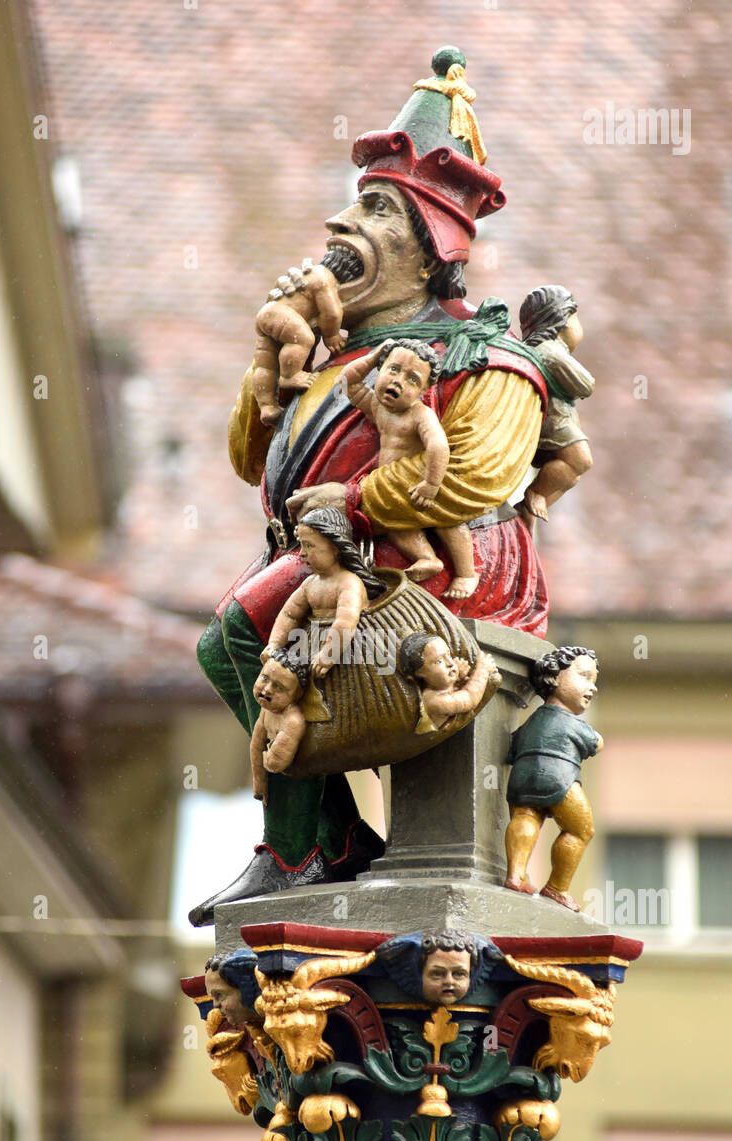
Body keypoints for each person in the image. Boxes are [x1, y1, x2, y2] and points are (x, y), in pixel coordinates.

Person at [191, 49, 557, 925]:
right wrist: (268, 357)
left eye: (376, 208)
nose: (339, 221)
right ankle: (321, 839)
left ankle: (303, 848)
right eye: (354, 200)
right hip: (335, 553)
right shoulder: (336, 357)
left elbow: (474, 479)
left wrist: (353, 506)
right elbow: (254, 461)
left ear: (431, 250)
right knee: (242, 636)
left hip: (440, 562)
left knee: (239, 636)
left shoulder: (486, 356)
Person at [340, 340, 479, 600]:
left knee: (447, 522)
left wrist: (431, 485)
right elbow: (347, 381)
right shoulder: (378, 408)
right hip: (391, 489)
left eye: (412, 379)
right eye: (393, 369)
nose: (398, 381)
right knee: (397, 527)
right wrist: (374, 356)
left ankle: (467, 573)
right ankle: (427, 558)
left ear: (424, 390)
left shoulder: (419, 415)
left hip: (420, 481)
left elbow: (438, 446)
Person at [503, 646, 603, 912]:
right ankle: (557, 887)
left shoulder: (534, 719)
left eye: (594, 680)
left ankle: (515, 874)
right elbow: (595, 743)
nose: (592, 687)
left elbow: (512, 747)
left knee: (525, 817)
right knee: (581, 830)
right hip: (559, 778)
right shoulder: (567, 720)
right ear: (555, 677)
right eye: (584, 676)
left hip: (521, 777)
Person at [262, 507, 386, 680]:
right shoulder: (310, 584)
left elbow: (345, 623)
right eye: (302, 545)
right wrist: (275, 644)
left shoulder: (348, 583)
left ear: (336, 547)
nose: (302, 553)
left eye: (309, 546)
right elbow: (289, 615)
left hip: (347, 654)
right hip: (310, 651)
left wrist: (328, 654)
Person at [516, 286, 595, 528]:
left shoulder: (549, 350)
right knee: (580, 460)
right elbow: (585, 384)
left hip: (560, 419)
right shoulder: (549, 351)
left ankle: (527, 511)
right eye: (575, 317)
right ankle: (535, 493)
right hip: (555, 421)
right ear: (563, 321)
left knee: (572, 475)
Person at [253, 258, 347, 426]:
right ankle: (289, 376)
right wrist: (332, 335)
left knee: (265, 363)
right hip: (279, 314)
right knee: (303, 339)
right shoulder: (324, 279)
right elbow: (332, 313)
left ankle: (267, 406)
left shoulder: (314, 275)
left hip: (267, 313)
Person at [398, 631, 499, 731]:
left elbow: (453, 690)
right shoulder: (434, 701)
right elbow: (470, 697)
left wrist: (457, 679)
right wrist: (482, 669)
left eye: (448, 655)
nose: (450, 663)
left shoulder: (440, 688)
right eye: (439, 661)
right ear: (419, 673)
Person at [250, 648, 308, 800]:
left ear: (297, 695)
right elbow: (256, 745)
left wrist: (267, 757)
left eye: (279, 687)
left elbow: (275, 763)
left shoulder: (293, 722)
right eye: (264, 678)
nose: (267, 689)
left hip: (299, 781)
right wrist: (259, 783)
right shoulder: (266, 711)